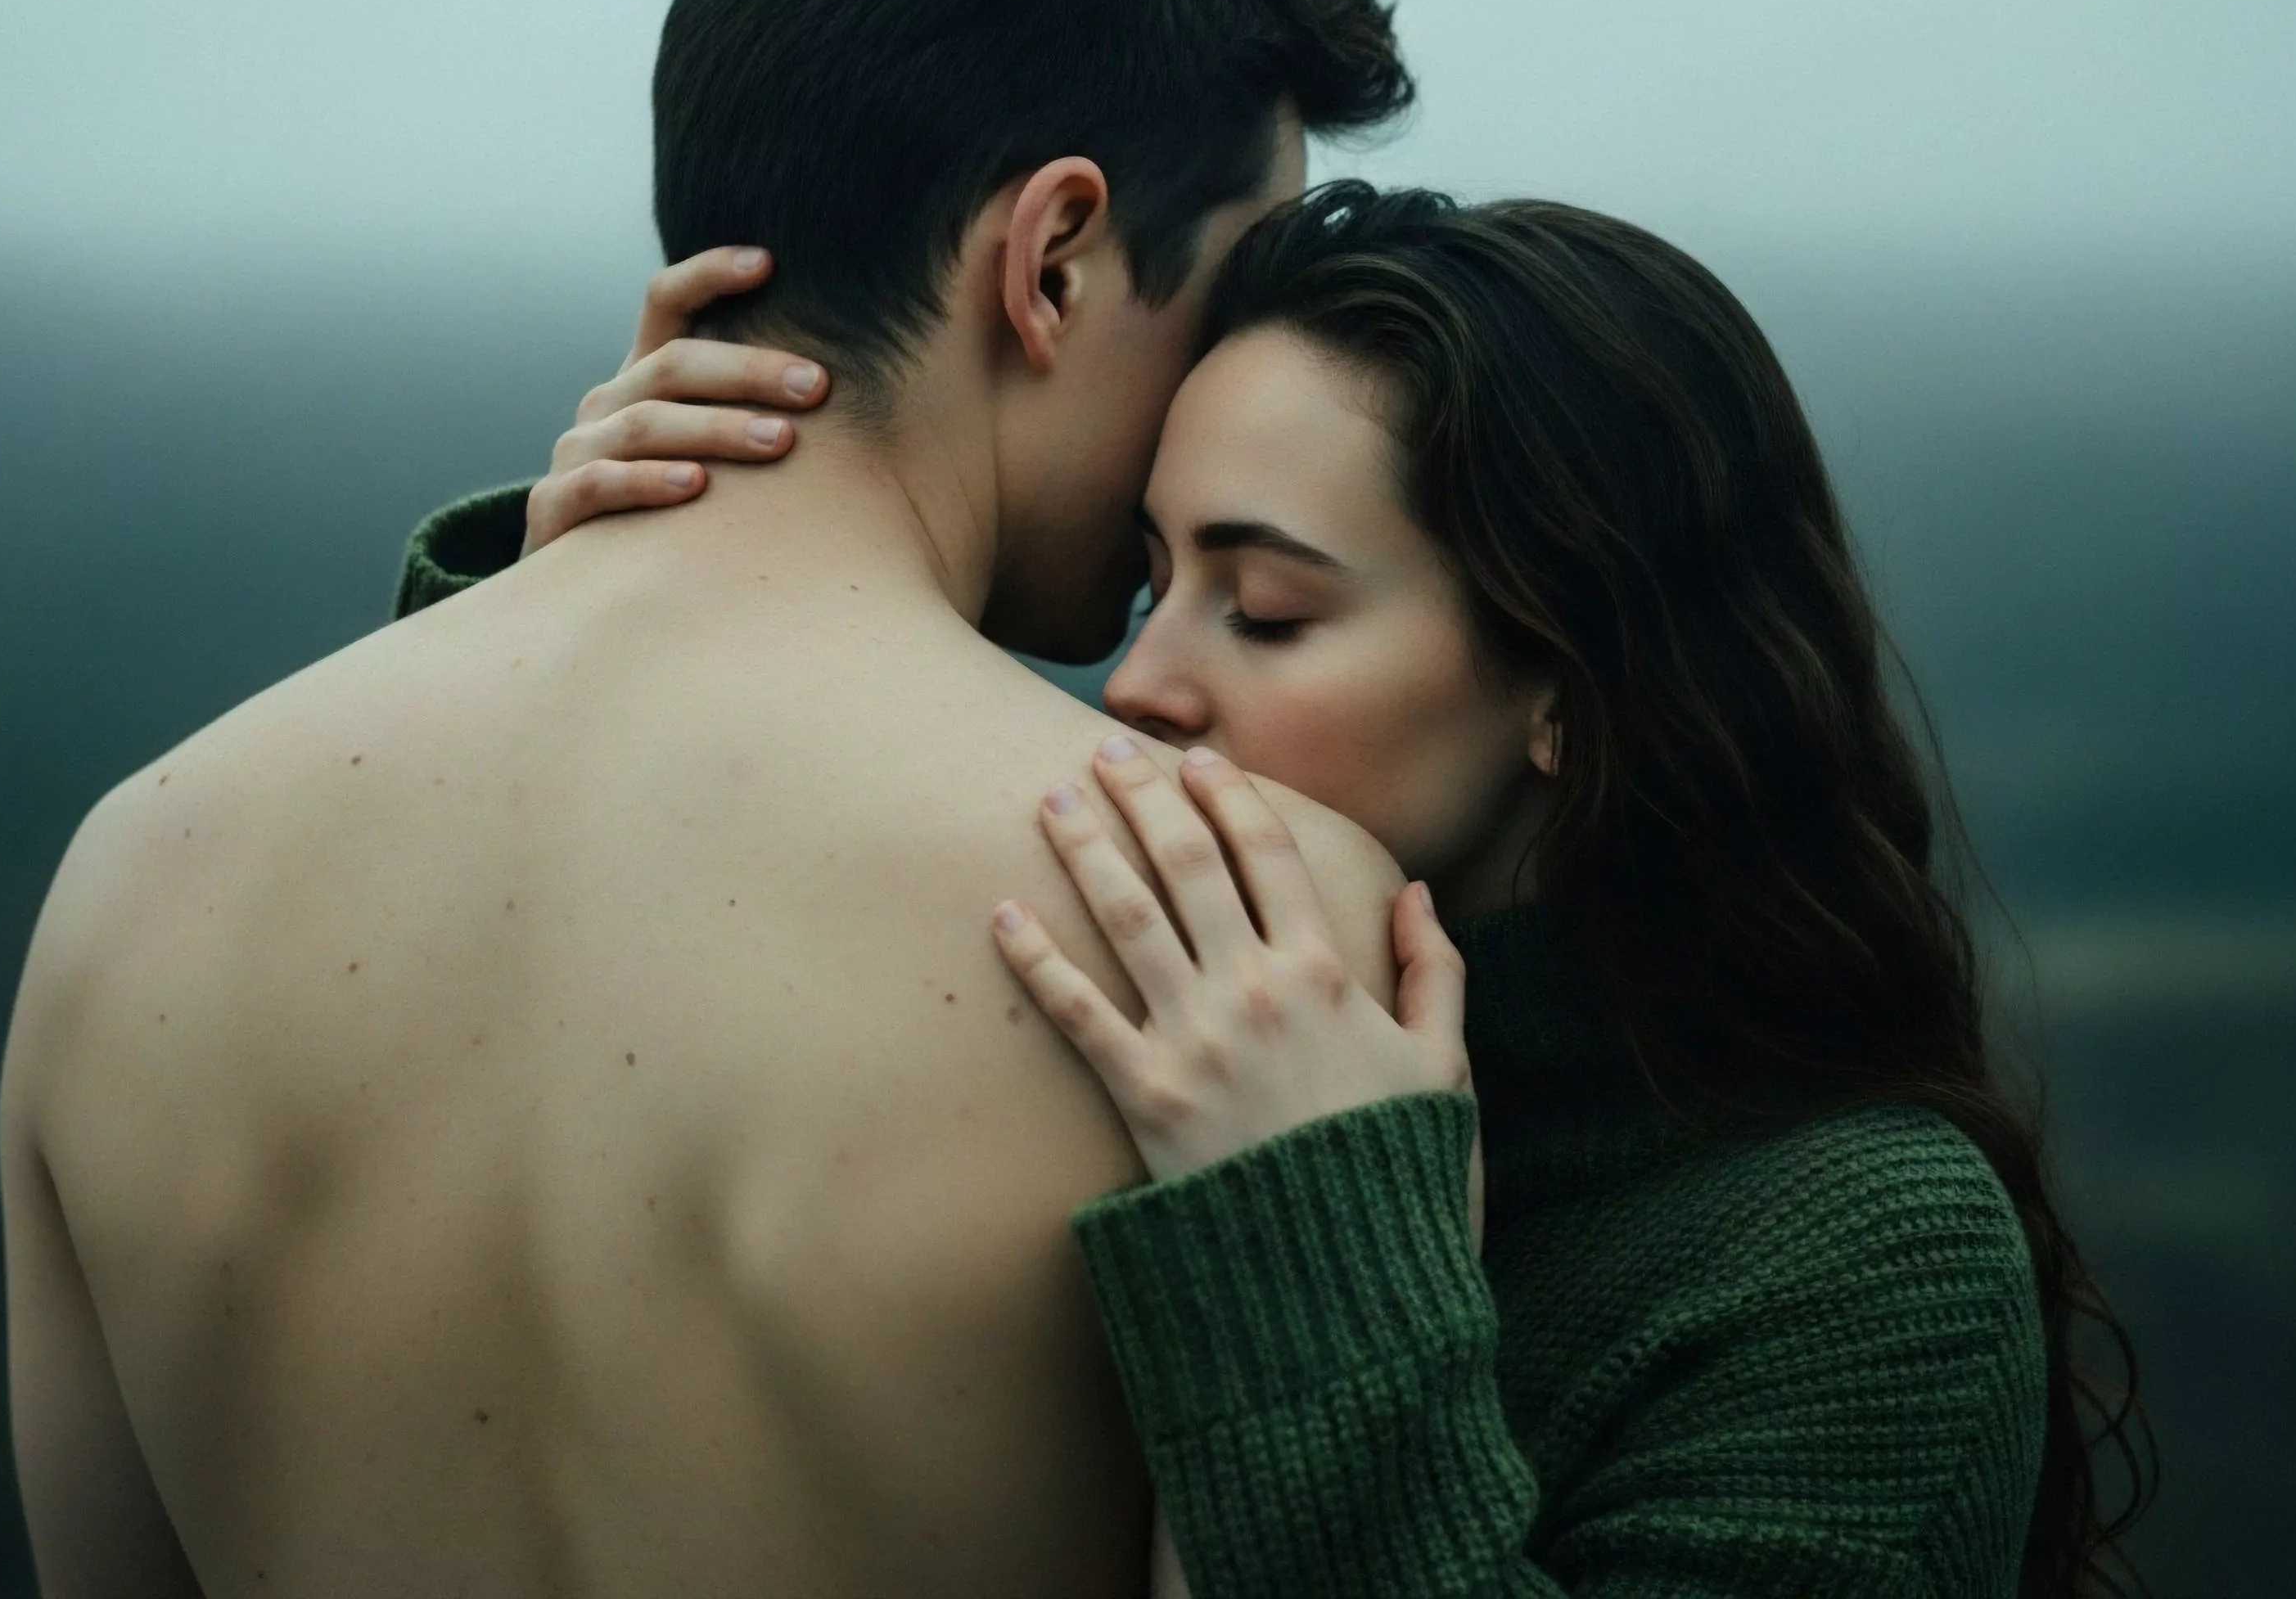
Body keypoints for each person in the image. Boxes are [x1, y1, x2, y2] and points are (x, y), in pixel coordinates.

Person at [0, 0, 1414, 1597]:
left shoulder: (131, 881)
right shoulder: (1235, 936)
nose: (1240, 384)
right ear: (1053, 257)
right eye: (1230, 293)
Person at [408, 184, 2154, 1596]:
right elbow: (541, 1084)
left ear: (1570, 684)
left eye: (1268, 607)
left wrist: (1322, 1228)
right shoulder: (1114, 1036)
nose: (1145, 684)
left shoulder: (1859, 1248)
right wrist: (590, 611)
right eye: (1150, 578)